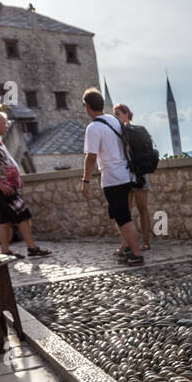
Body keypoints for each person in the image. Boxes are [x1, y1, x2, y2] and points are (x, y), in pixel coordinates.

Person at [81, 89, 142, 265]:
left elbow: (91, 157)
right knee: (120, 215)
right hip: (126, 174)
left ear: (88, 106)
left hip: (113, 178)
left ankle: (136, 254)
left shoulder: (94, 128)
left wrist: (85, 181)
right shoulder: (114, 121)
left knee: (123, 218)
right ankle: (129, 247)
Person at [0, 110, 50, 259]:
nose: (6, 126)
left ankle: (5, 250)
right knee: (23, 215)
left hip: (6, 186)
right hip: (3, 188)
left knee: (7, 220)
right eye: (4, 123)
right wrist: (0, 185)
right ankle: (32, 248)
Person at [113, 103, 153, 252]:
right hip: (124, 175)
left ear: (126, 114)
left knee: (142, 208)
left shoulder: (135, 131)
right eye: (115, 114)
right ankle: (127, 243)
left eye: (118, 114)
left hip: (138, 173)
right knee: (126, 212)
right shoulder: (117, 133)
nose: (116, 117)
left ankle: (146, 242)